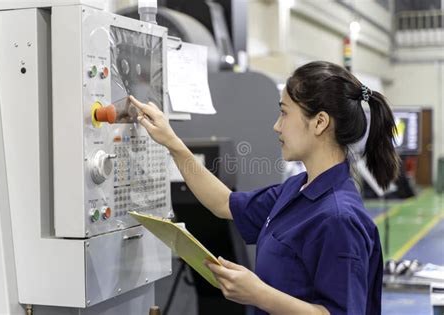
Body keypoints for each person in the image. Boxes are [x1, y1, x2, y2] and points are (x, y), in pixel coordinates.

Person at [129, 60, 400, 315]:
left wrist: (258, 293)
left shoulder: (339, 219)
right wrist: (172, 142)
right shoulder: (297, 190)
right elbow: (223, 203)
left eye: (284, 113)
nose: (276, 126)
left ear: (320, 122)